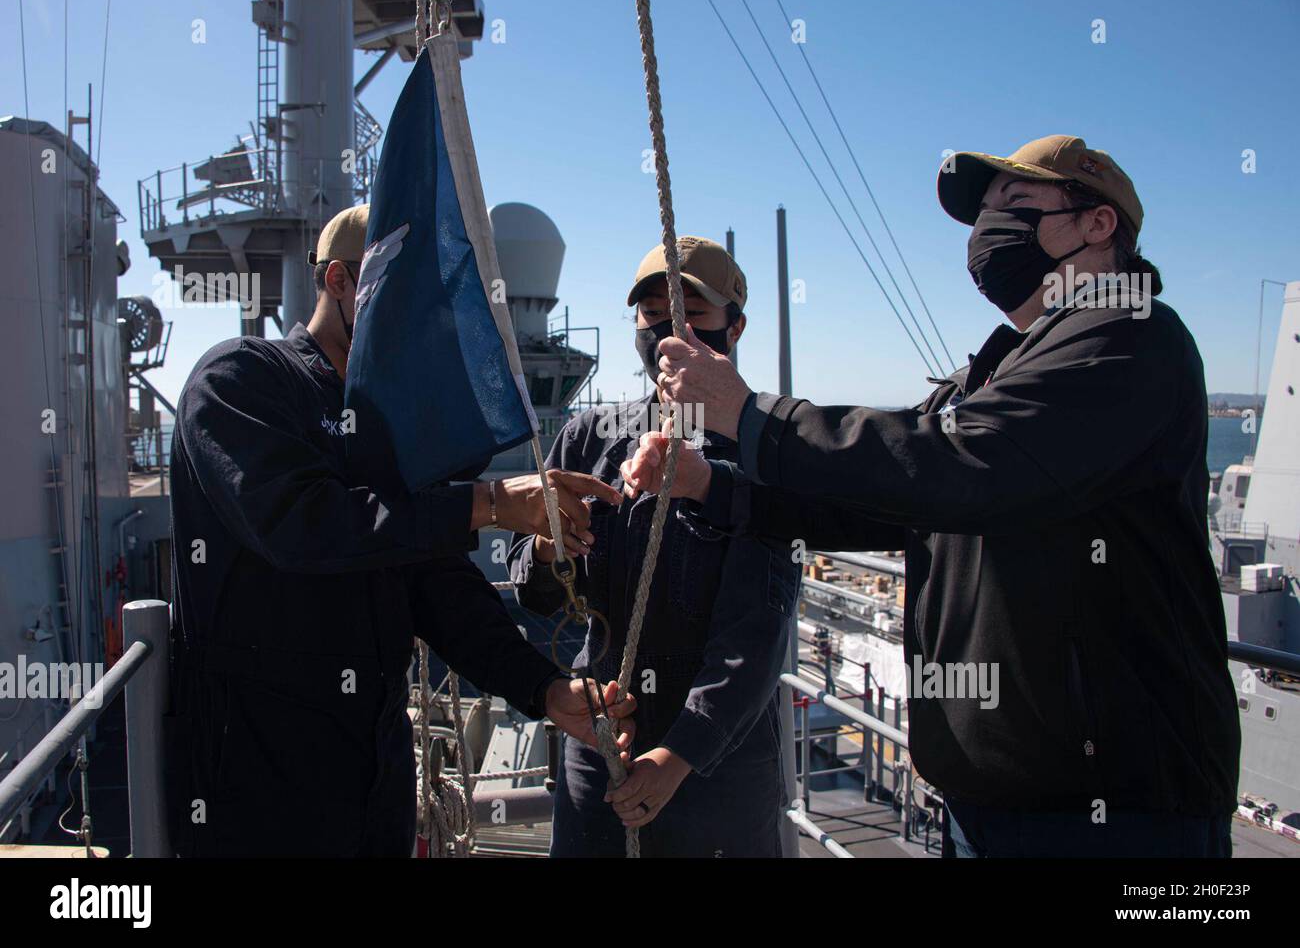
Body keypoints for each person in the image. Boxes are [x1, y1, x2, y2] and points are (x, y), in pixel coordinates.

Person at [624, 136, 1242, 857]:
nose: (987, 231)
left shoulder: (1130, 338)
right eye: (984, 214)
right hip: (991, 801)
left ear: (1096, 224)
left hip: (1115, 815)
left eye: (1012, 205)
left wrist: (752, 417)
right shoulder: (998, 368)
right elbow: (886, 494)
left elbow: (964, 462)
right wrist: (714, 485)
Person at [165, 205, 631, 857]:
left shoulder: (379, 427)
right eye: (401, 295)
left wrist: (545, 689)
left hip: (370, 783)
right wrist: (491, 501)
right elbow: (307, 526)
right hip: (257, 790)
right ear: (338, 282)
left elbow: (435, 583)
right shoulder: (239, 382)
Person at [507, 236, 800, 857]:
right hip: (604, 740)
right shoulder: (590, 437)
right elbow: (532, 590)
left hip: (719, 766)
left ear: (735, 326)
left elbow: (759, 628)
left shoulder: (771, 446)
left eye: (692, 314)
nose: (668, 329)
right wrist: (545, 549)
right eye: (651, 315)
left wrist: (680, 755)